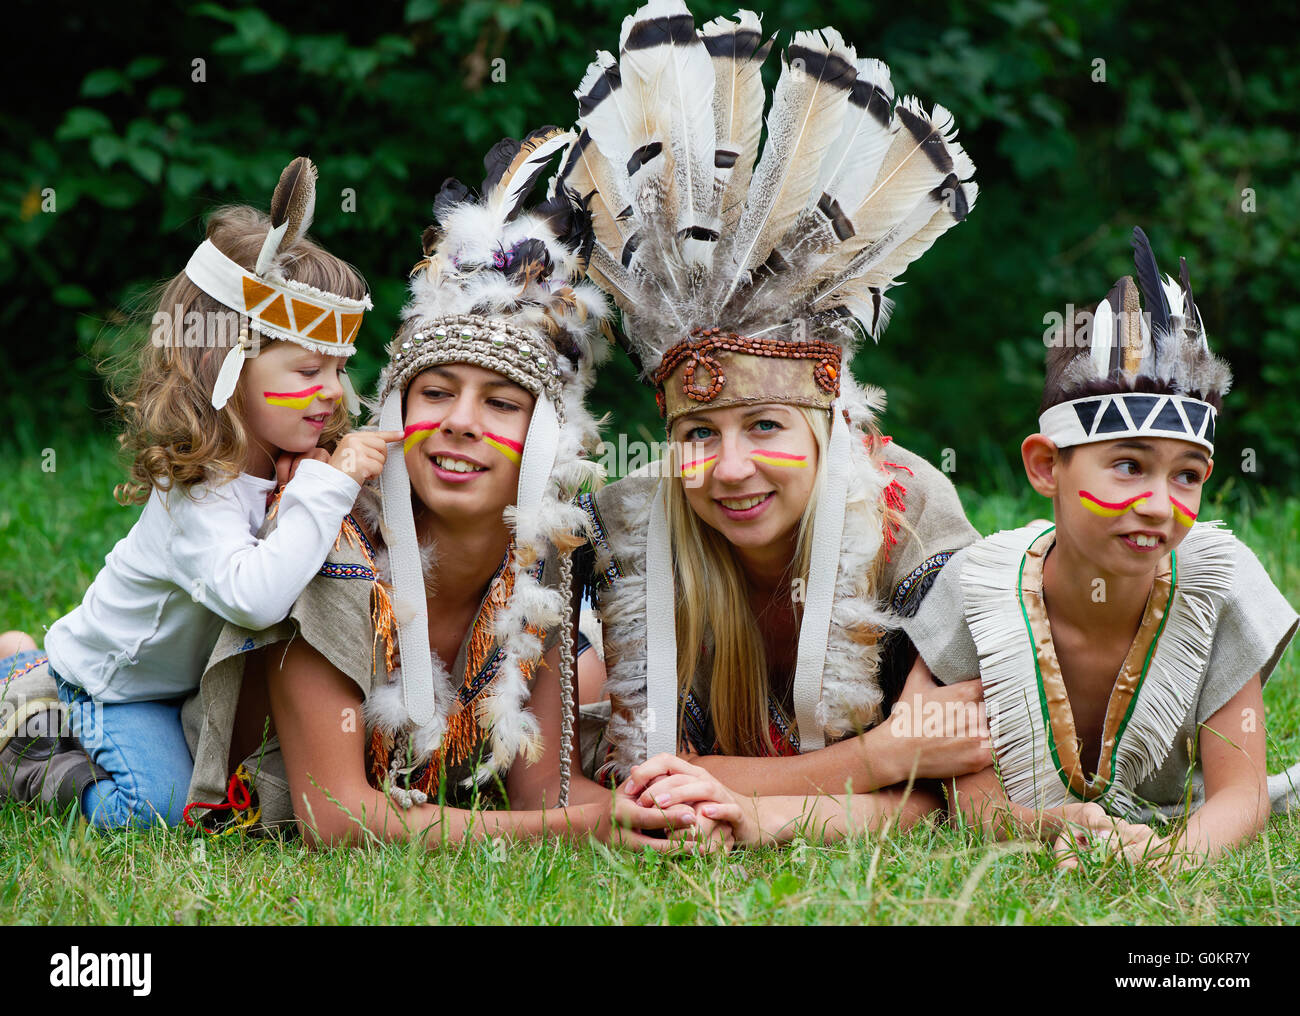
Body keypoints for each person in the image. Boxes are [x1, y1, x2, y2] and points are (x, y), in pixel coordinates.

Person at [182, 128, 703, 849]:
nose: (460, 423)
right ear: (396, 409)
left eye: (501, 403)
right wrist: (594, 828)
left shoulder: (542, 557)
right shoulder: (324, 538)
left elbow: (541, 793)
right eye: (435, 392)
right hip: (176, 756)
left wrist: (672, 806)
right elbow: (334, 816)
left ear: (548, 440)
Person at [557, 2, 991, 814]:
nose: (729, 470)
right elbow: (650, 782)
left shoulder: (912, 511)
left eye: (763, 426)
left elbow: (945, 789)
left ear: (827, 427)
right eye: (697, 433)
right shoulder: (625, 529)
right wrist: (885, 754)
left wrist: (767, 801)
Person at [0, 158, 393, 828]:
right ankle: (25, 732)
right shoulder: (199, 489)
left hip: (184, 689)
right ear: (224, 364)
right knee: (154, 808)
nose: (332, 390)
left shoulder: (289, 462)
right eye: (307, 369)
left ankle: (21, 660)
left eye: (339, 369)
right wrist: (329, 486)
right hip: (116, 685)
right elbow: (252, 597)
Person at [906, 228, 1300, 867]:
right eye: (1127, 466)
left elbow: (1241, 794)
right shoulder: (979, 589)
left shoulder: (1219, 583)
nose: (1157, 503)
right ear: (1044, 467)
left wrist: (1164, 861)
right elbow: (968, 798)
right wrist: (1050, 826)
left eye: (1187, 475)